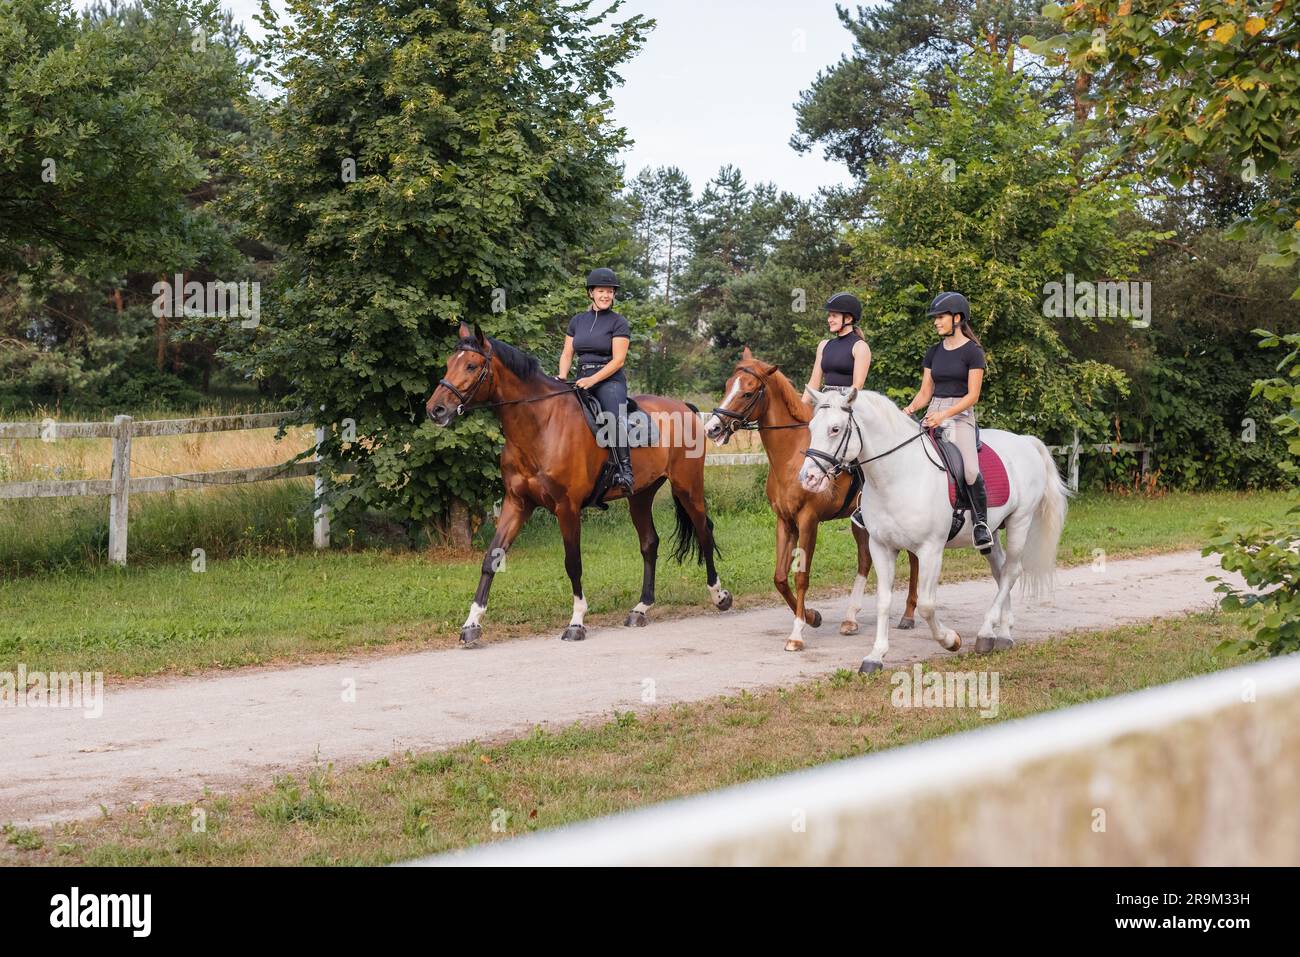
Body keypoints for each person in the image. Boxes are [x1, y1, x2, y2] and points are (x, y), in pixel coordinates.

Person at [901, 291, 992, 552]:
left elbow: (973, 396)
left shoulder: (973, 352)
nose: (936, 322)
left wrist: (945, 415)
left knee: (971, 470)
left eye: (940, 317)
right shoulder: (933, 352)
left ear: (957, 318)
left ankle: (981, 524)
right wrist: (909, 409)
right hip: (933, 411)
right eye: (936, 318)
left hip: (960, 415)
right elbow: (925, 392)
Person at [558, 267, 634, 494]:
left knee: (612, 416)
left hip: (609, 379)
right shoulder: (577, 321)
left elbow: (618, 360)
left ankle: (625, 471)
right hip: (580, 377)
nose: (606, 296)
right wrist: (562, 376)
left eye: (610, 292)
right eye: (601, 291)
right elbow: (567, 353)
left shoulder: (618, 322)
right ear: (591, 293)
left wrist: (592, 381)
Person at [804, 292, 871, 399]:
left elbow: (858, 385)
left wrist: (838, 403)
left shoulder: (860, 347)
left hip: (847, 404)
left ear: (848, 319)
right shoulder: (823, 345)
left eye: (834, 316)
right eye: (829, 316)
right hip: (826, 402)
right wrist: (800, 409)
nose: (829, 320)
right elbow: (814, 383)